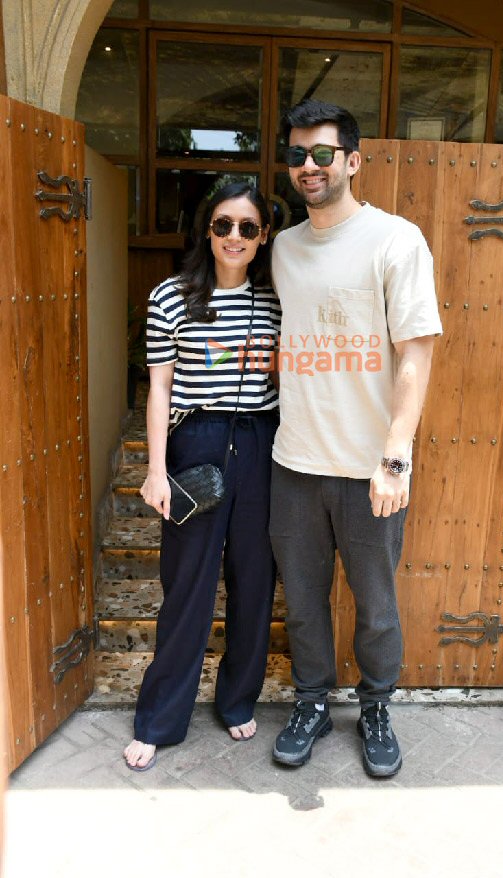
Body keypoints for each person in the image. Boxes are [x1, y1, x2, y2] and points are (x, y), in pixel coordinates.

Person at [269, 99, 442, 778]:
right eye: (295, 155)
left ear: (351, 161)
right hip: (294, 462)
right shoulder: (282, 248)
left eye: (321, 154)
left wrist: (394, 457)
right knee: (305, 603)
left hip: (371, 468)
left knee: (374, 607)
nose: (307, 167)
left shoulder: (396, 241)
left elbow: (416, 355)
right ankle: (311, 702)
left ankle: (375, 707)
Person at [124, 182, 280, 770]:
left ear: (263, 235)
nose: (233, 237)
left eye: (246, 227)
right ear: (206, 230)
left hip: (262, 443)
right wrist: (156, 468)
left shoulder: (276, 299)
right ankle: (160, 718)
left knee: (253, 580)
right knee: (186, 586)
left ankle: (238, 699)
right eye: (223, 225)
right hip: (196, 441)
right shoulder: (170, 296)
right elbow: (159, 387)